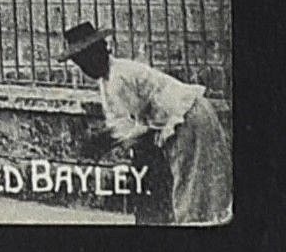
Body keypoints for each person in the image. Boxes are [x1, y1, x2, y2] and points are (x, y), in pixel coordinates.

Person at [59, 20, 232, 226]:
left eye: (88, 58)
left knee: (193, 189)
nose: (86, 67)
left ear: (101, 50)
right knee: (196, 188)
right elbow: (126, 126)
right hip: (183, 120)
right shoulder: (108, 79)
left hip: (187, 118)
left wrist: (105, 140)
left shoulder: (119, 77)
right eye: (81, 63)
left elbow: (135, 130)